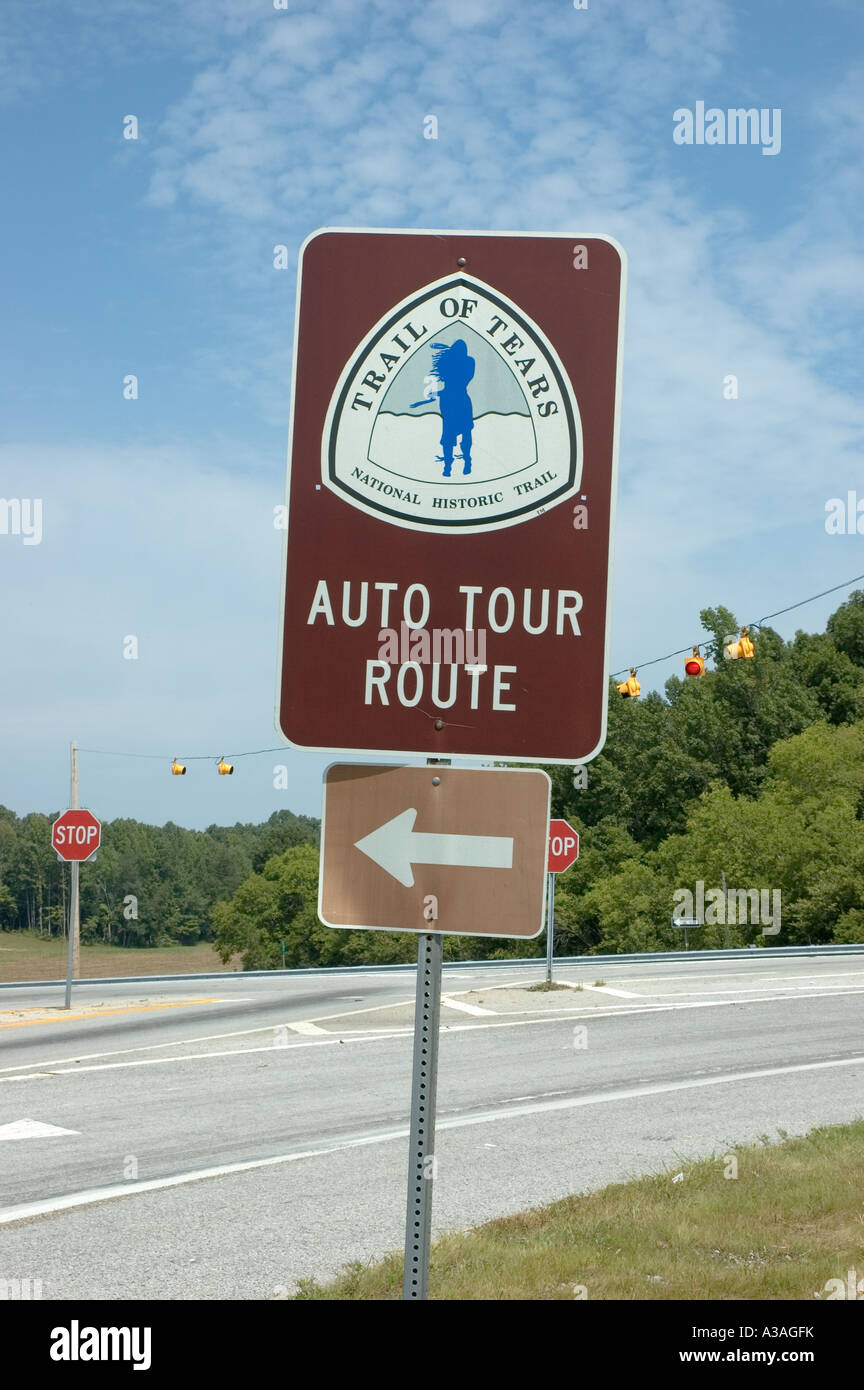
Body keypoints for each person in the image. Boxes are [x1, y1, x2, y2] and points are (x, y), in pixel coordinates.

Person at [419, 338, 475, 477]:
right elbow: (448, 379)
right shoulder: (457, 362)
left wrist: (450, 355)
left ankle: (462, 462)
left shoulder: (464, 362)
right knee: (454, 434)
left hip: (454, 400)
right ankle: (450, 465)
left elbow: (455, 378)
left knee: (460, 432)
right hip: (454, 400)